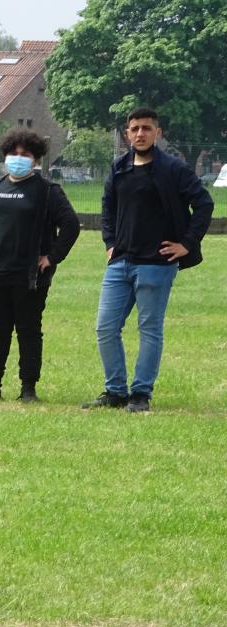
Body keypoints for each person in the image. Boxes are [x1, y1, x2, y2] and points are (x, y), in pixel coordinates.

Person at [83, 106, 214, 413]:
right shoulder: (119, 168)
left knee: (149, 329)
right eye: (134, 129)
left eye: (146, 128)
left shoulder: (173, 170)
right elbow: (107, 208)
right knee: (105, 327)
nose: (140, 133)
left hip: (156, 264)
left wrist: (186, 243)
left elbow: (204, 204)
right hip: (120, 263)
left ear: (158, 133)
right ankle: (115, 391)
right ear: (127, 134)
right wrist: (110, 243)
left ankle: (140, 393)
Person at [0, 128, 80, 402]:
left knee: (28, 330)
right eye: (13, 154)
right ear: (5, 156)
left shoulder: (48, 191)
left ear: (36, 160)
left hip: (30, 277)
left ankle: (28, 388)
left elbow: (71, 226)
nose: (18, 158)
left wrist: (51, 257)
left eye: (25, 155)